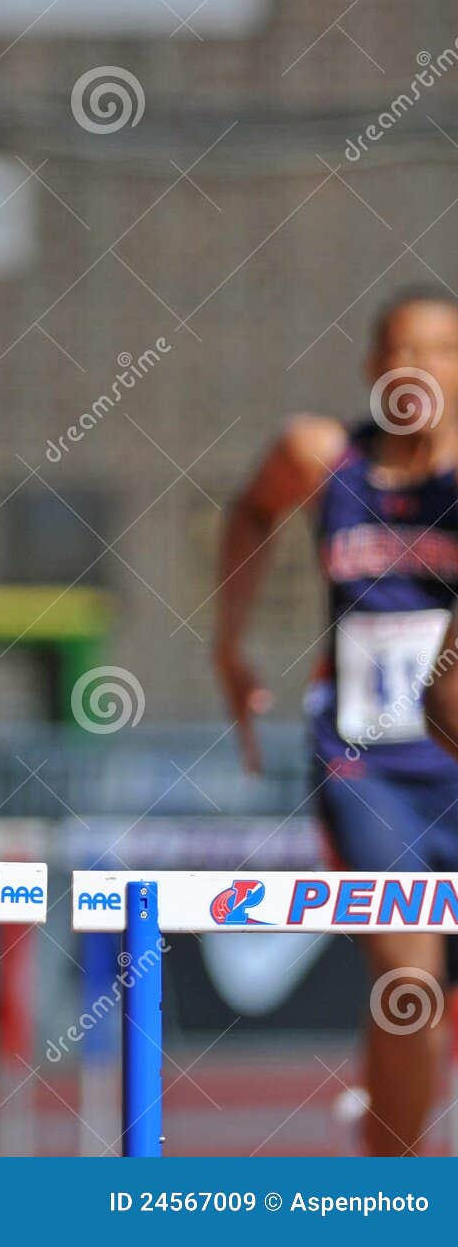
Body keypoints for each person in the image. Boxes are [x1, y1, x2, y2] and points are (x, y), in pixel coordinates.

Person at [216, 285, 458, 1156]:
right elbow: (249, 511)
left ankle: (386, 1130)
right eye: (400, 348)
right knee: (411, 980)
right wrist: (228, 649)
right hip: (370, 767)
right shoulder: (325, 459)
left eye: (439, 350)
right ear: (371, 365)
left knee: (426, 1005)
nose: (417, 367)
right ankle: (393, 1192)